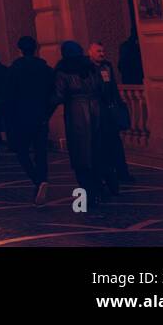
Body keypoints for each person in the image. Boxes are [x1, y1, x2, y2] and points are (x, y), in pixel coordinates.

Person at [53, 39, 109, 207]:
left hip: (76, 112)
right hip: (97, 110)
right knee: (97, 149)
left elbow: (58, 95)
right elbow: (102, 87)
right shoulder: (92, 67)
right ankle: (99, 187)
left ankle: (87, 191)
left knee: (80, 152)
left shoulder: (63, 70)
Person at [6, 35, 54, 205]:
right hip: (41, 116)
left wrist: (9, 119)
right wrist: (47, 112)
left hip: (21, 117)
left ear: (19, 50)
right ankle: (42, 179)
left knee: (22, 152)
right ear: (36, 49)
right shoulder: (45, 69)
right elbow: (53, 93)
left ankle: (36, 179)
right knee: (41, 151)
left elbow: (8, 97)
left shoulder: (13, 70)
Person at [90, 41, 133, 186]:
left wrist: (118, 103)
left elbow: (112, 86)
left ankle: (122, 172)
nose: (102, 54)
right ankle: (107, 174)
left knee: (116, 143)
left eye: (102, 51)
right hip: (97, 112)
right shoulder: (88, 68)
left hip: (110, 110)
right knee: (102, 144)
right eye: (98, 51)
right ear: (90, 52)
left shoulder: (107, 66)